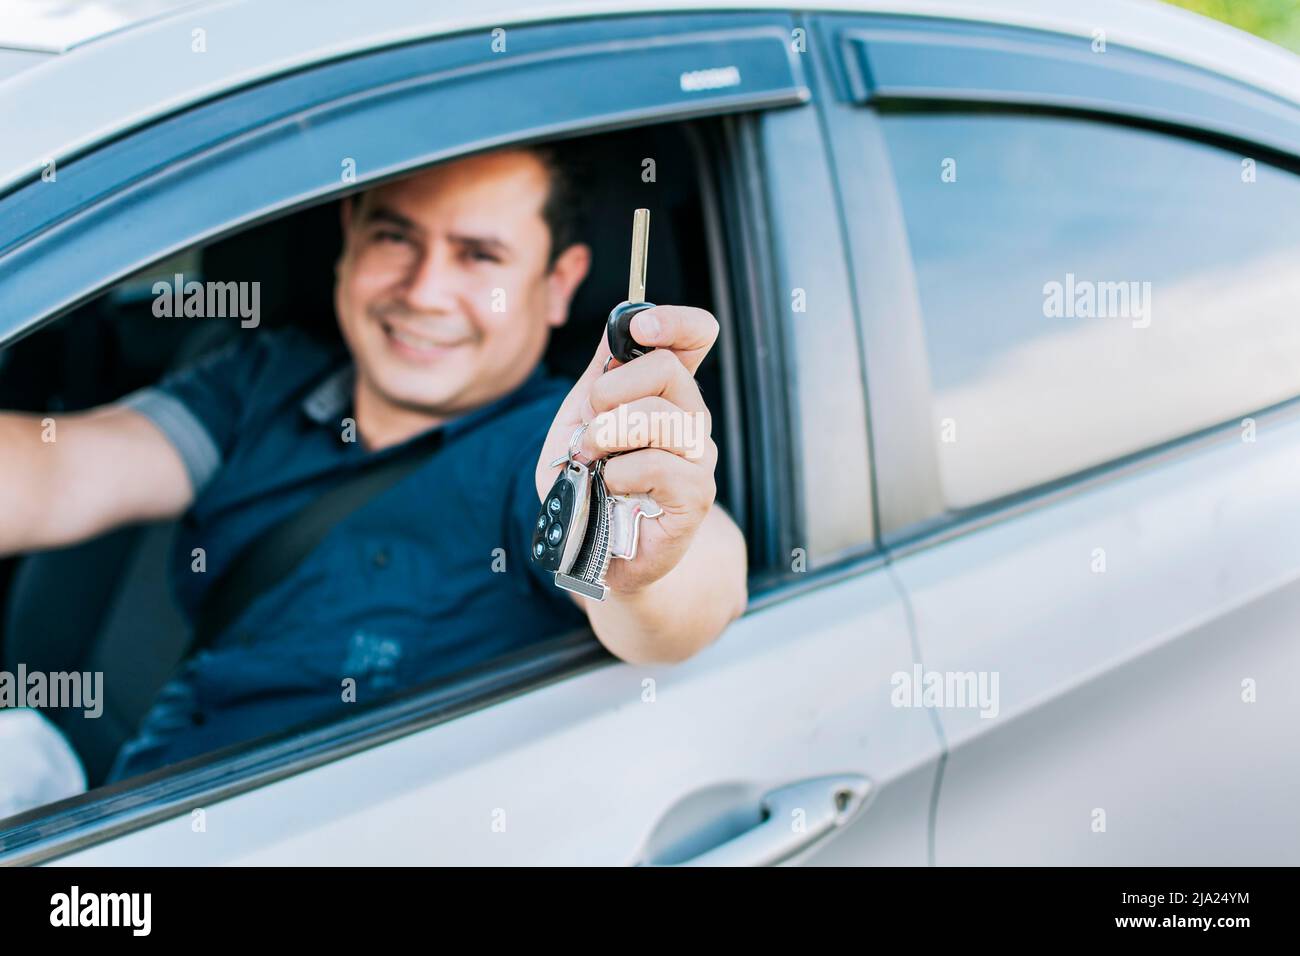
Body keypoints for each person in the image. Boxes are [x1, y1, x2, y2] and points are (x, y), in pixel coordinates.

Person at [0, 143, 747, 792]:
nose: (422, 291)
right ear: (349, 236)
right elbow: (54, 473)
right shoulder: (262, 378)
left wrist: (635, 561)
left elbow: (698, 595)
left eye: (478, 256)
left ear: (558, 282)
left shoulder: (554, 449)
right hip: (136, 801)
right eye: (396, 237)